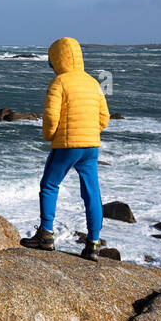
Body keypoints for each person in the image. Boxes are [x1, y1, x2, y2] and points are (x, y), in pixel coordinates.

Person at [20, 37, 111, 261]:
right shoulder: (93, 83)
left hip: (67, 145)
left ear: (57, 60)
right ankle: (94, 244)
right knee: (91, 193)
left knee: (49, 184)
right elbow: (104, 117)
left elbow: (51, 117)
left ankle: (46, 235)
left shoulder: (59, 82)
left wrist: (51, 136)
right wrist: (90, 131)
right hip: (91, 145)